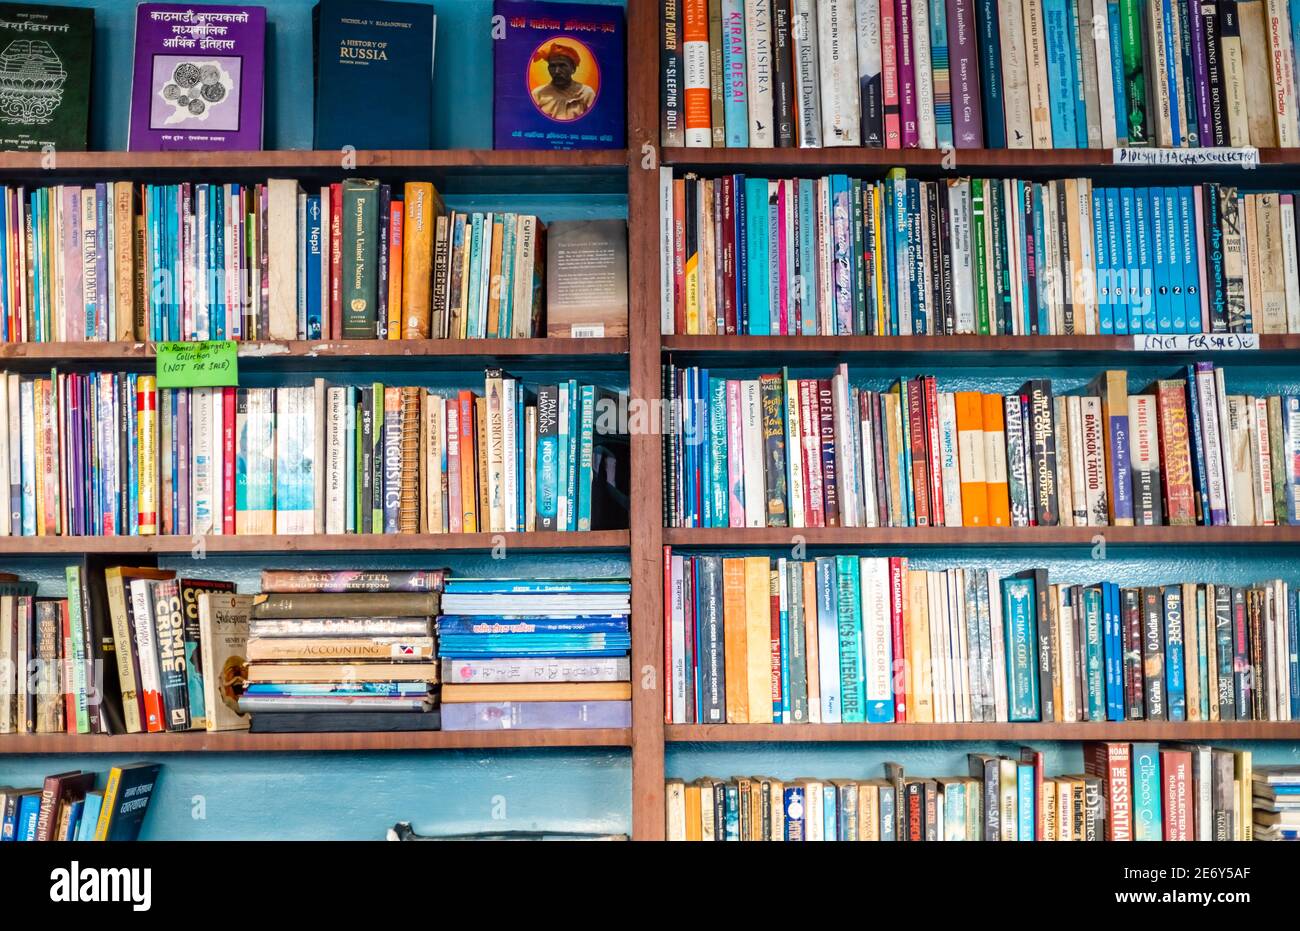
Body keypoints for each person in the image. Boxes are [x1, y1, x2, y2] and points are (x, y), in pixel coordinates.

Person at [530, 41, 595, 121]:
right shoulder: (537, 94)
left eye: (562, 65)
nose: (557, 71)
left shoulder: (587, 93)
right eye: (553, 66)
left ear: (573, 69)